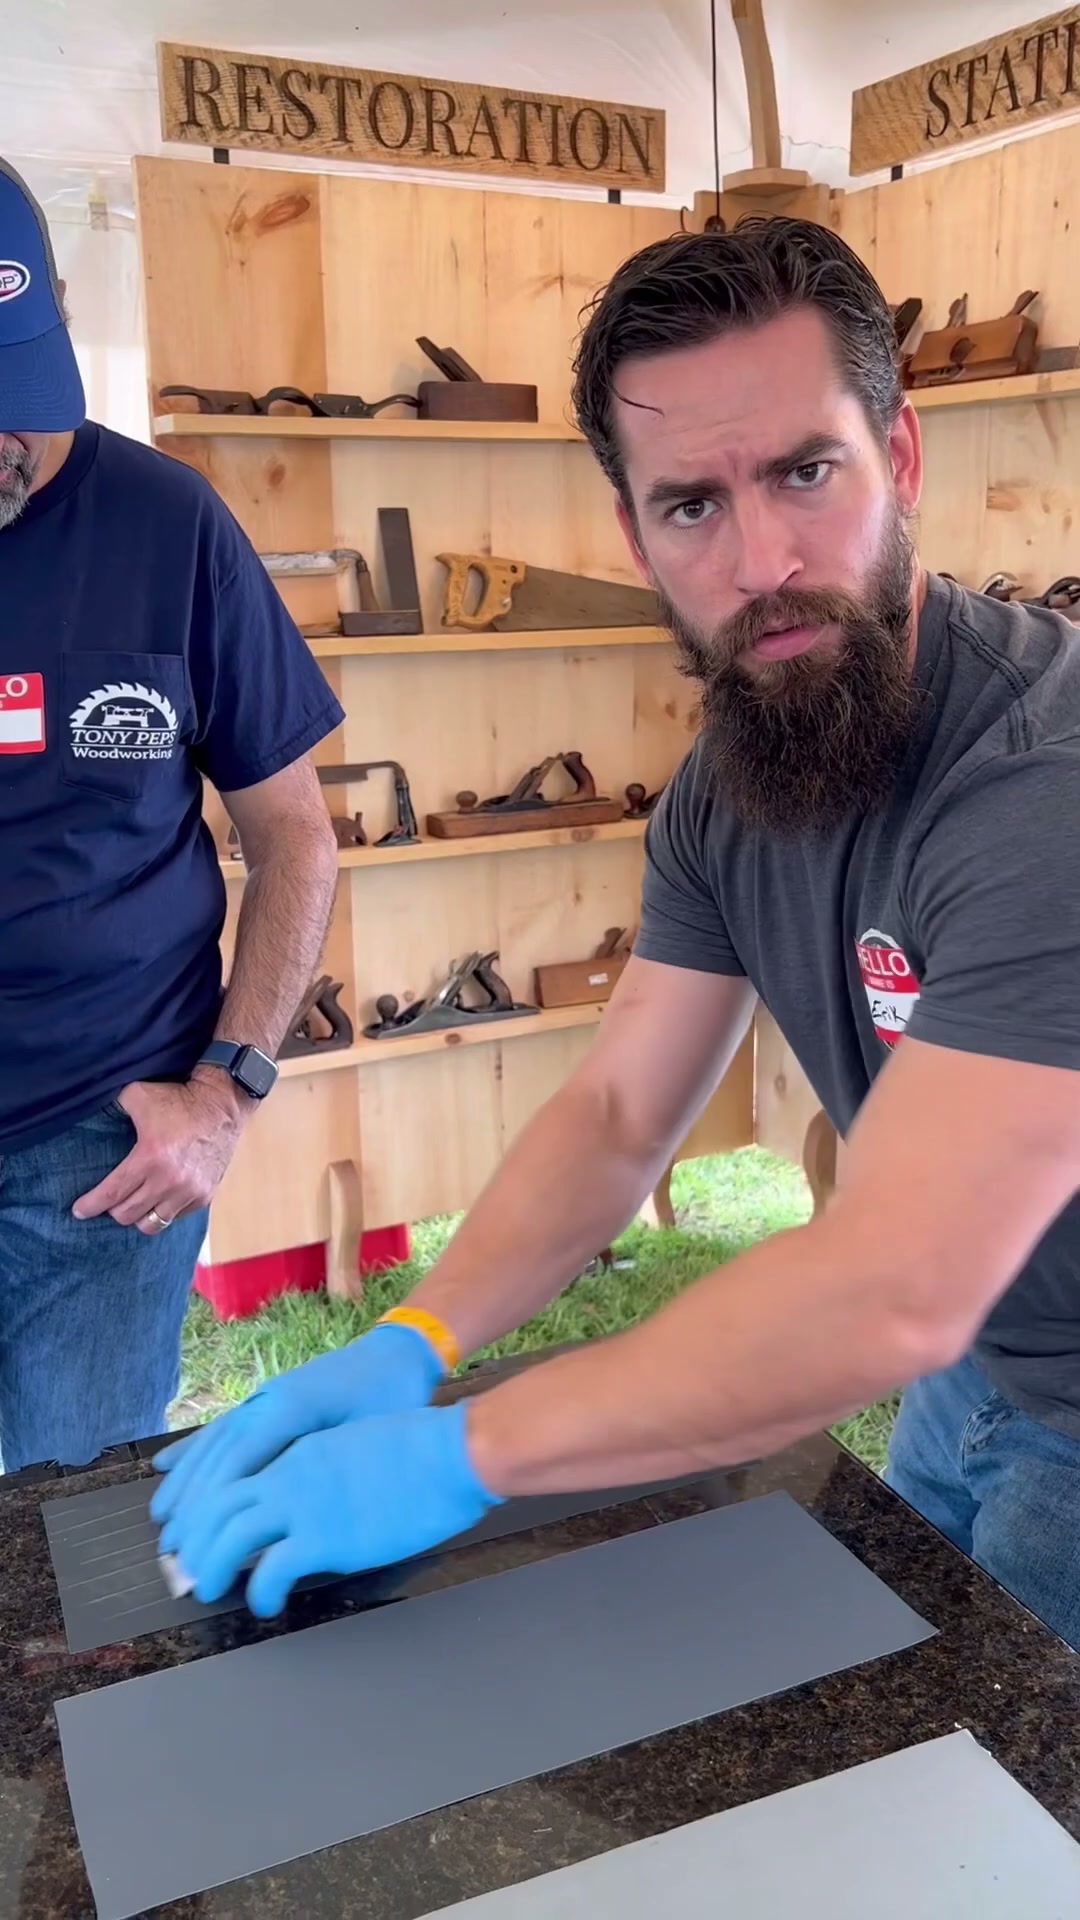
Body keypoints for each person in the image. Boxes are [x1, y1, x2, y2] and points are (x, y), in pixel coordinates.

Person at [154, 217, 1080, 1645]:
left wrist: (468, 1452)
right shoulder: (733, 782)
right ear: (633, 534)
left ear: (899, 462)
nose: (762, 558)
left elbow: (894, 1284)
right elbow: (615, 1109)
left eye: (804, 473)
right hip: (986, 1367)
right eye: (693, 505)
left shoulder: (1043, 782)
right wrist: (421, 1338)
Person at [0, 156, 342, 1471]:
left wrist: (226, 1091)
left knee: (70, 1550)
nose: (11, 448)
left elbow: (296, 839)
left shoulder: (166, 523)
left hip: (100, 1138)